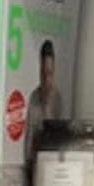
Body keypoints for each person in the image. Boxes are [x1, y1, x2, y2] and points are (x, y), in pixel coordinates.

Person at [24, 40, 64, 171]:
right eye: (43, 74)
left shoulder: (58, 98)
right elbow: (29, 135)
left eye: (50, 74)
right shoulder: (34, 97)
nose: (46, 80)